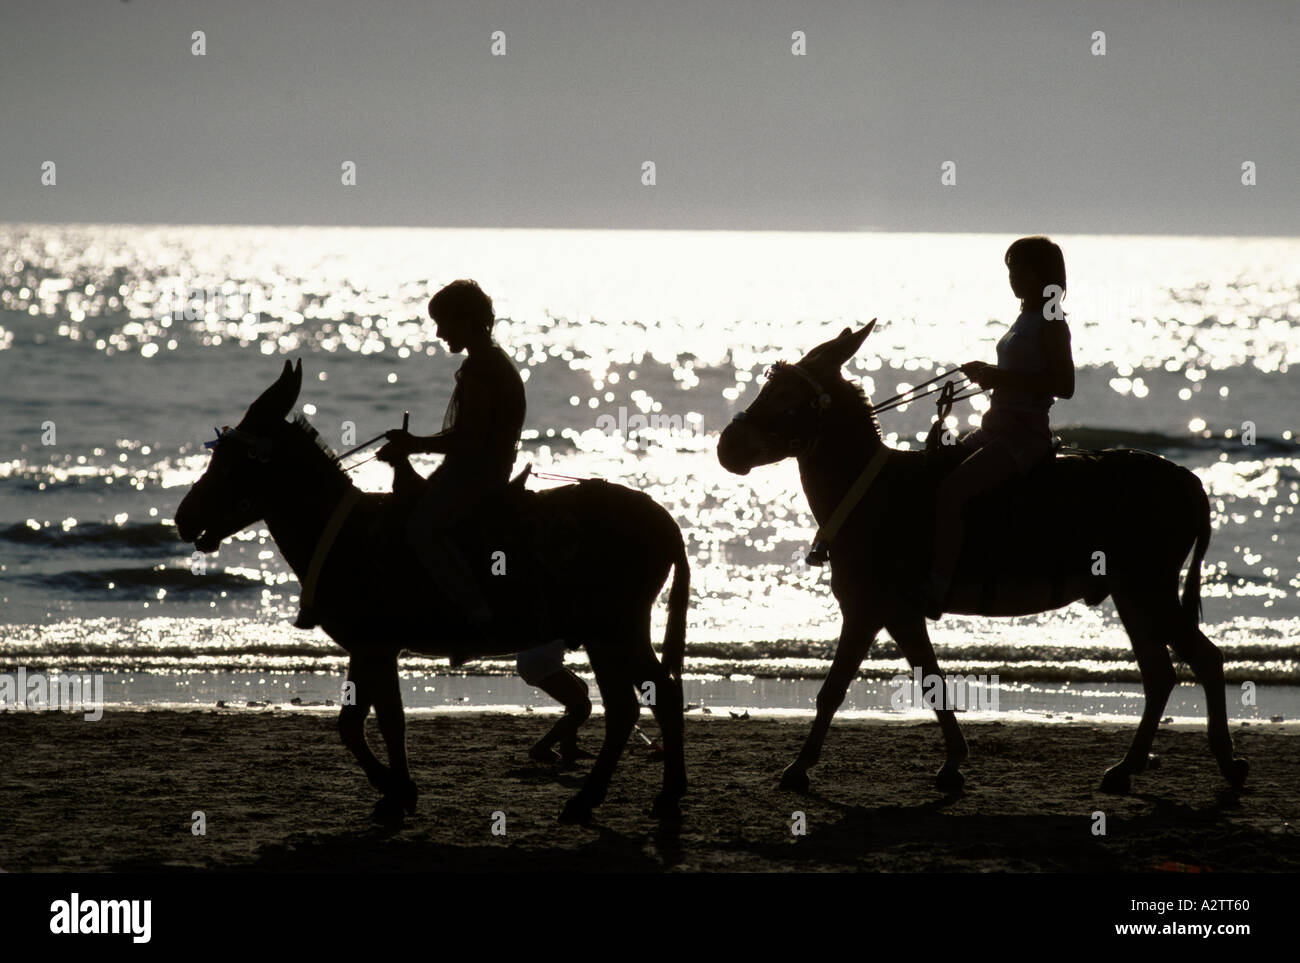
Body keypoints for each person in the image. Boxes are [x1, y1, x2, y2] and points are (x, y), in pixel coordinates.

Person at [911, 236, 1075, 619]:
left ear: (1041, 275)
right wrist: (988, 374)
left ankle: (938, 587)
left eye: (1020, 269)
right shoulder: (1027, 316)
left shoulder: (1052, 320)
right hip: (995, 430)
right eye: (1011, 270)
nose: (1013, 278)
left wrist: (998, 376)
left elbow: (1063, 385)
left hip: (1022, 438)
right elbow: (1024, 371)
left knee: (952, 492)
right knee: (932, 469)